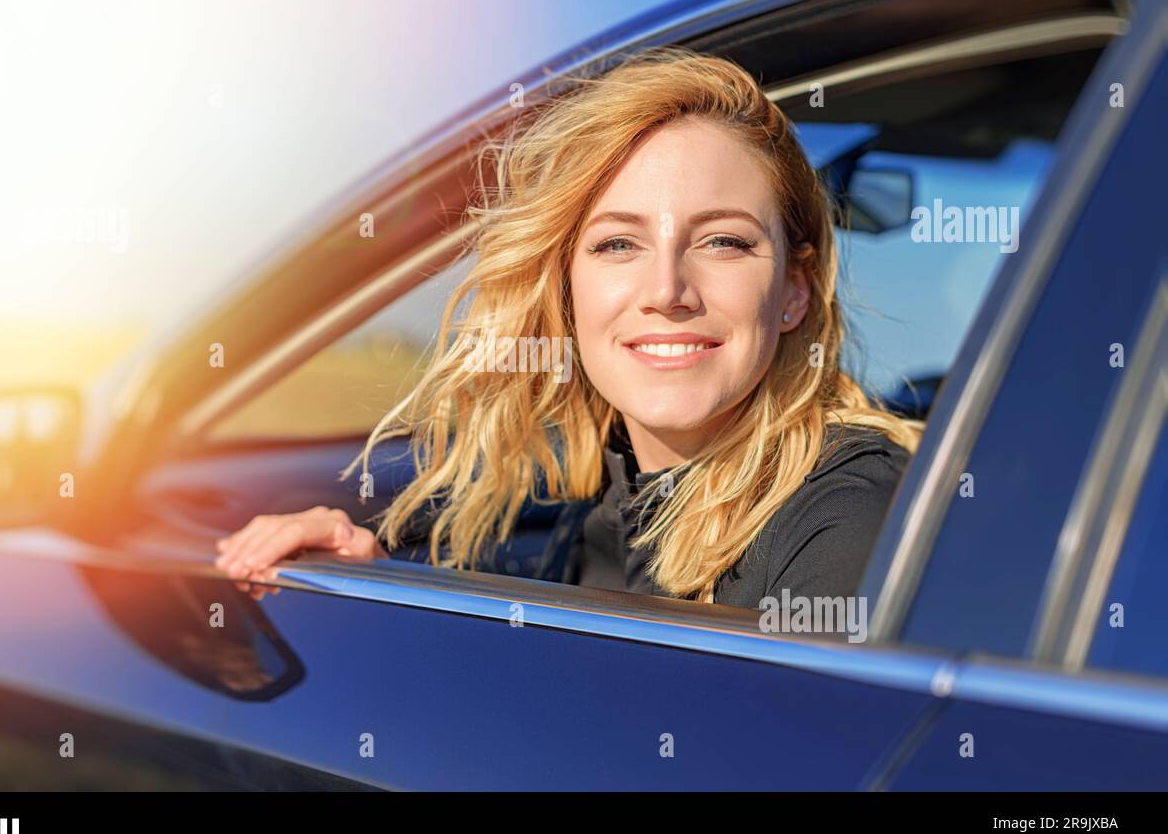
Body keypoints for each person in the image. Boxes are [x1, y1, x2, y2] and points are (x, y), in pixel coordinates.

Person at [213, 46, 921, 607]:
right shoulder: (604, 492)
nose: (667, 290)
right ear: (567, 287)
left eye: (723, 242)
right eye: (618, 244)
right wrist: (370, 590)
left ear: (793, 291)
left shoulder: (846, 517)